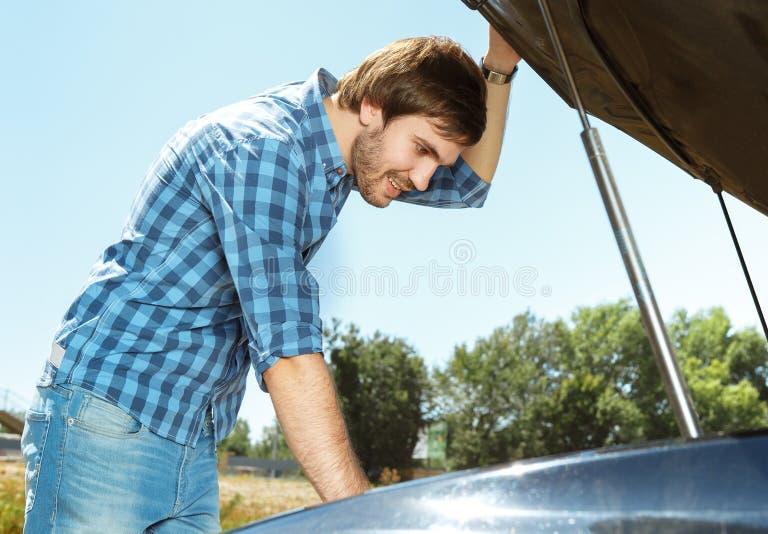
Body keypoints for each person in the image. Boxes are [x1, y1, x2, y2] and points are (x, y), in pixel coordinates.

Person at [21, 26, 521, 532]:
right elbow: (290, 357)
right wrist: (369, 521)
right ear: (373, 104)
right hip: (106, 418)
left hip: (189, 438)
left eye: (436, 162)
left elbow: (469, 187)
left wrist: (499, 66)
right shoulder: (263, 151)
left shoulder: (343, 158)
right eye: (422, 149)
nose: (422, 179)